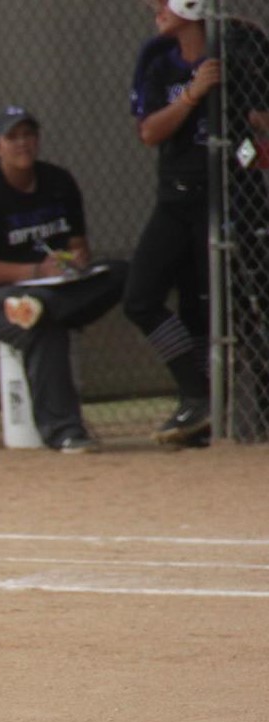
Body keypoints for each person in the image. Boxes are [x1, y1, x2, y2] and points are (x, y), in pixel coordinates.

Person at [125, 0, 269, 447]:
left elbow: (261, 125)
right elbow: (149, 131)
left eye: (165, 3)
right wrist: (193, 92)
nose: (154, 8)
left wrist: (243, 98)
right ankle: (197, 393)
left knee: (233, 310)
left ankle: (250, 409)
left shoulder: (242, 49)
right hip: (177, 199)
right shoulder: (157, 58)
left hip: (233, 197)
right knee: (140, 297)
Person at [0, 106, 128, 453]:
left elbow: (78, 245)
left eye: (29, 135)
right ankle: (65, 432)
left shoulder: (58, 182)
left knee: (122, 272)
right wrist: (37, 273)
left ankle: (39, 306)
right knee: (41, 325)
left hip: (56, 290)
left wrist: (75, 260)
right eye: (12, 137)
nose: (23, 143)